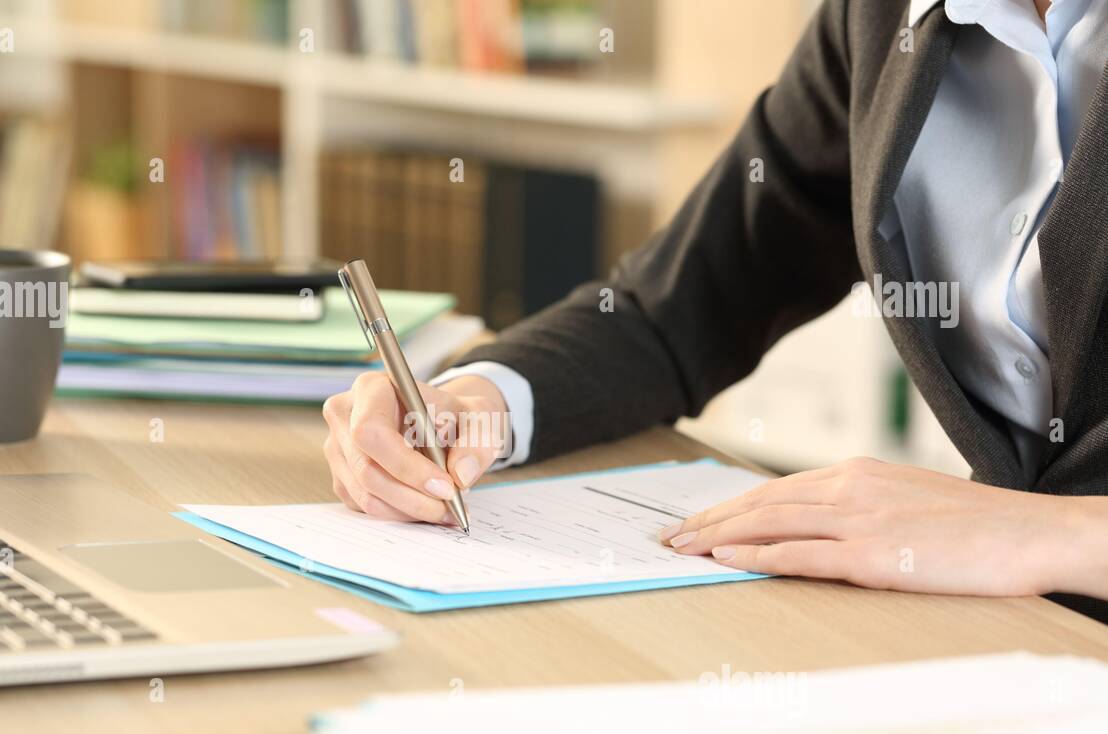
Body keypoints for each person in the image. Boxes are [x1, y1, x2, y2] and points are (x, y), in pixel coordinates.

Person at [320, 0, 1108, 621]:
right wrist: (479, 403)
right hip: (1012, 640)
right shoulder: (876, 23)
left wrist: (1053, 536)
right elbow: (684, 304)